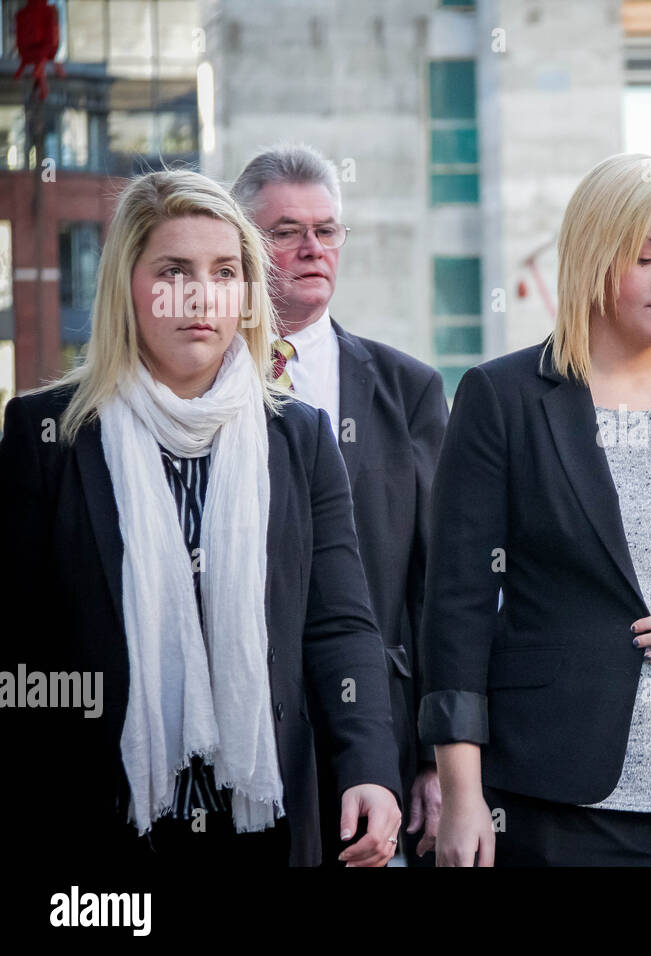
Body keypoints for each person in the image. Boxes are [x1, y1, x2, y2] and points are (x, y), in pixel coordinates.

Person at [0, 169, 402, 866]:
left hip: (266, 823)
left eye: (224, 272)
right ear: (128, 284)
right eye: (173, 270)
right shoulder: (48, 437)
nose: (200, 295)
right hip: (102, 826)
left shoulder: (299, 438)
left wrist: (370, 765)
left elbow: (339, 626)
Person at [421, 153, 651, 866]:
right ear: (595, 259)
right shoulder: (501, 399)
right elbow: (456, 608)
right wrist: (461, 791)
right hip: (559, 801)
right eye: (648, 256)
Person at [232, 145, 448, 864]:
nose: (312, 248)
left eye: (327, 230)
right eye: (287, 231)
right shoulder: (195, 387)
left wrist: (433, 756)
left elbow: (440, 586)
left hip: (376, 740)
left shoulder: (407, 389)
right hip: (238, 731)